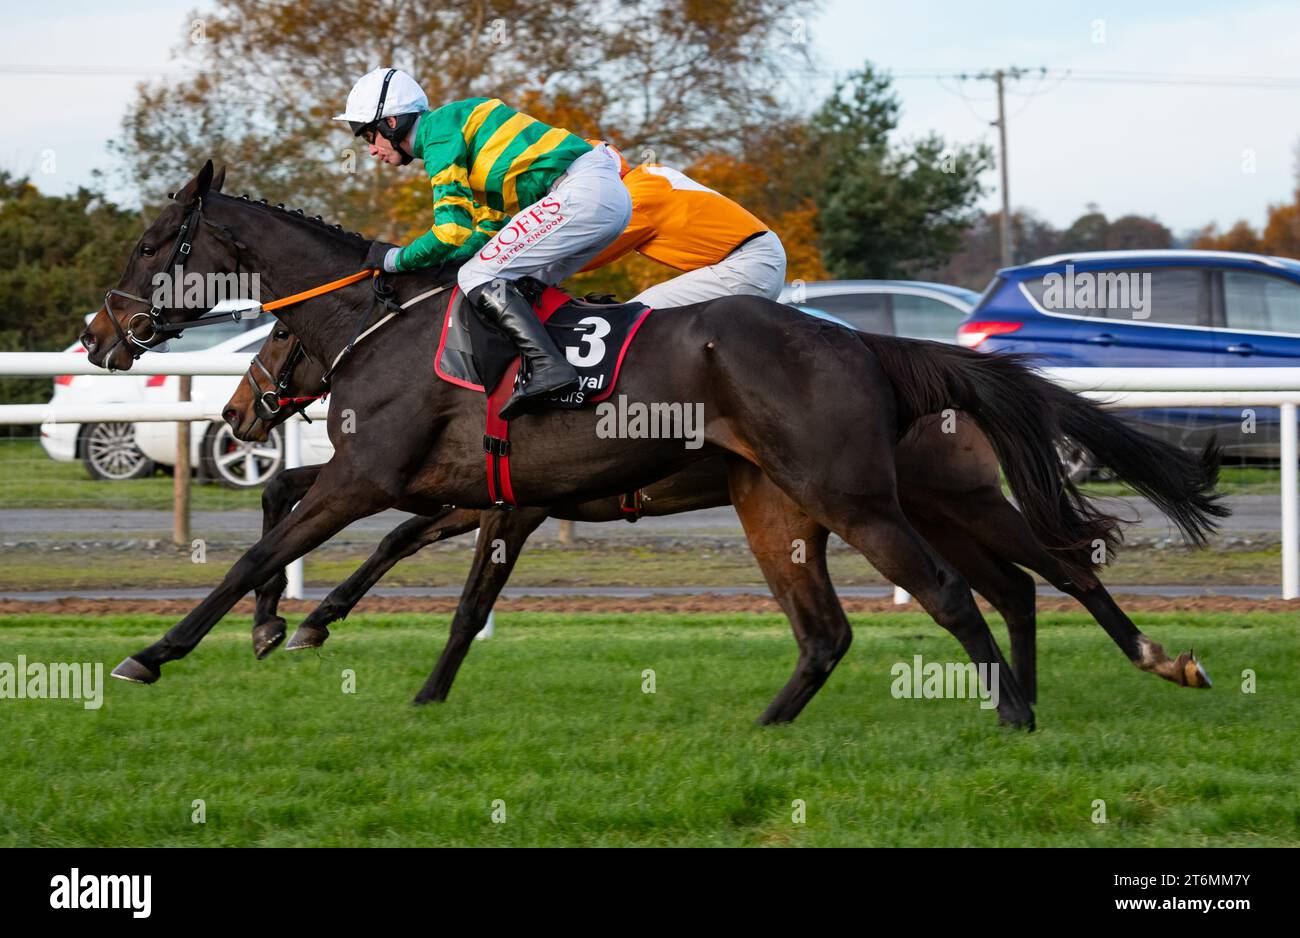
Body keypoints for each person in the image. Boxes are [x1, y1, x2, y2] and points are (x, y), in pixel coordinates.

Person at [335, 67, 632, 418]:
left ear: (393, 122)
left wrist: (395, 259)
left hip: (582, 193)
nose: (371, 150)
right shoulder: (464, 136)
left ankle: (550, 368)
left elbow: (451, 232)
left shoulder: (439, 134)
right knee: (518, 283)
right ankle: (563, 374)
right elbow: (484, 235)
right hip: (603, 198)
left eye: (370, 136)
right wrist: (433, 263)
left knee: (477, 277)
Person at [581, 144, 787, 307]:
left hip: (746, 264)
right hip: (755, 259)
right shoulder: (648, 178)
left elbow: (595, 251)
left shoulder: (638, 197)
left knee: (636, 315)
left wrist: (549, 265)